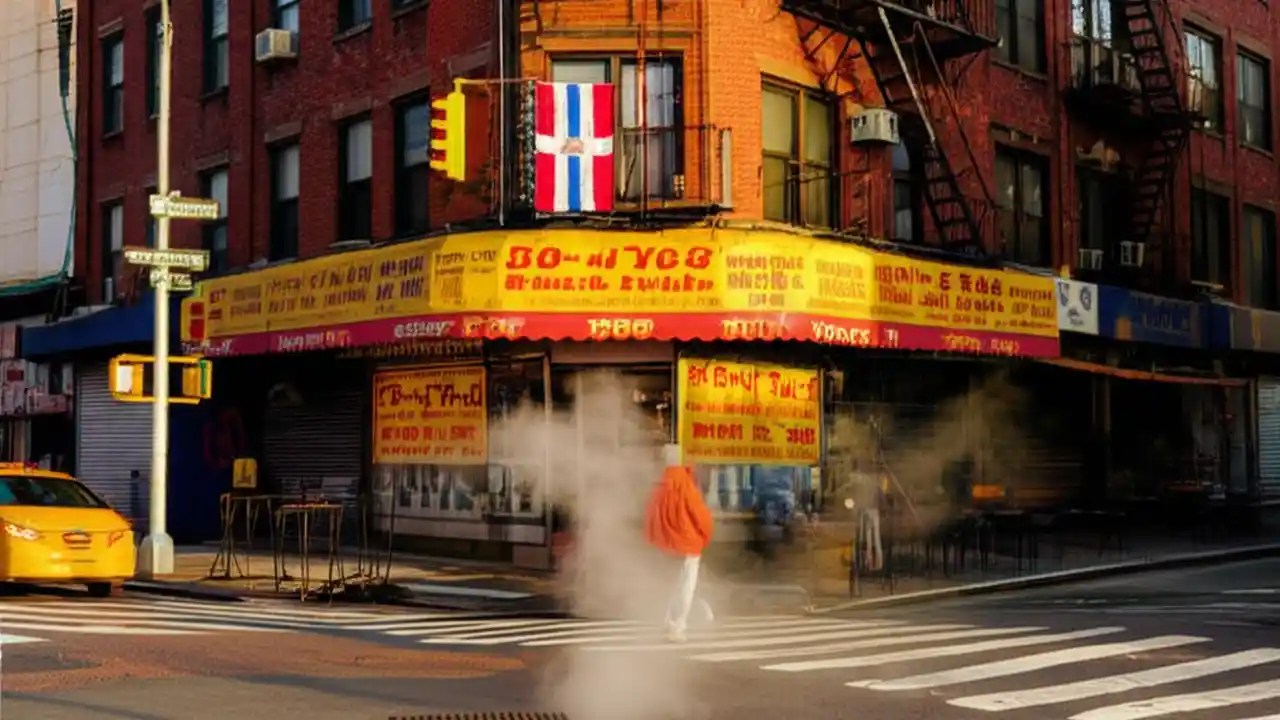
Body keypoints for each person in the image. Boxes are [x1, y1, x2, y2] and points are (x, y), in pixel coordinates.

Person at [644, 445, 714, 643]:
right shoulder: (686, 485)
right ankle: (676, 626)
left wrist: (653, 540)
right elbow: (700, 516)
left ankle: (668, 623)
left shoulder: (659, 486)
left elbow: (650, 517)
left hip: (665, 545)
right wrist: (704, 537)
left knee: (670, 584)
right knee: (685, 586)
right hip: (688, 545)